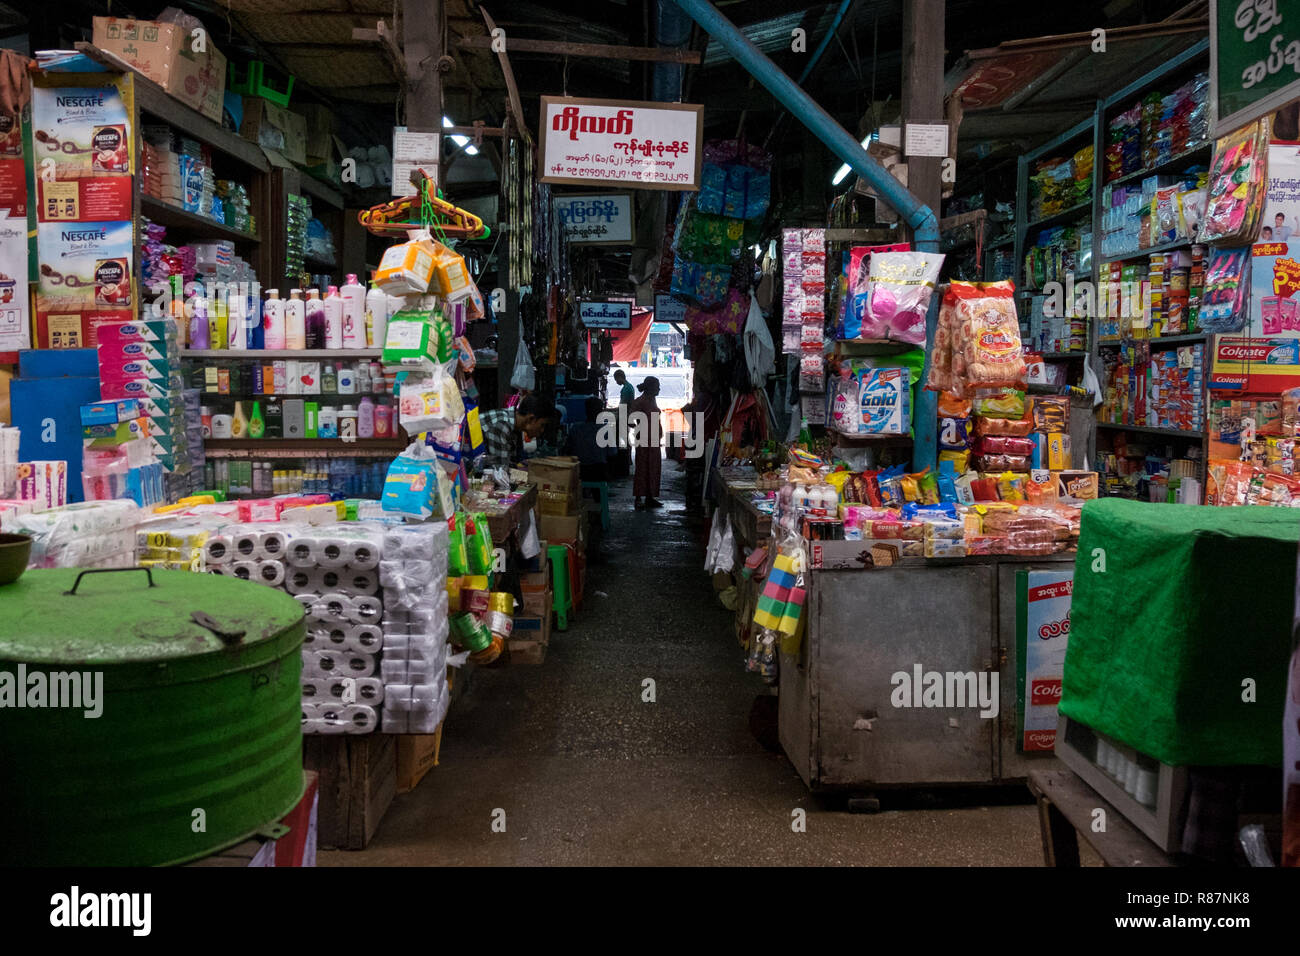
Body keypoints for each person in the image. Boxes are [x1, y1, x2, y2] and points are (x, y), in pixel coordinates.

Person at [475, 394, 557, 472]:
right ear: (531, 419)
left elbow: (507, 463)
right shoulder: (502, 425)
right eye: (542, 425)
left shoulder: (514, 426)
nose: (542, 430)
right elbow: (501, 471)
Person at [562, 397, 613, 482]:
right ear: (601, 412)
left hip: (579, 470)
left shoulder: (575, 428)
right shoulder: (606, 430)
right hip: (599, 472)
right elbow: (612, 453)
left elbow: (567, 450)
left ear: (586, 410)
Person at [630, 376, 663, 509]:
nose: (659, 389)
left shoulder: (652, 400)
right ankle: (638, 498)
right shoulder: (640, 401)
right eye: (657, 386)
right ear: (650, 388)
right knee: (642, 469)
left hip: (654, 441)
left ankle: (650, 497)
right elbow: (629, 420)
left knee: (654, 468)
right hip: (644, 440)